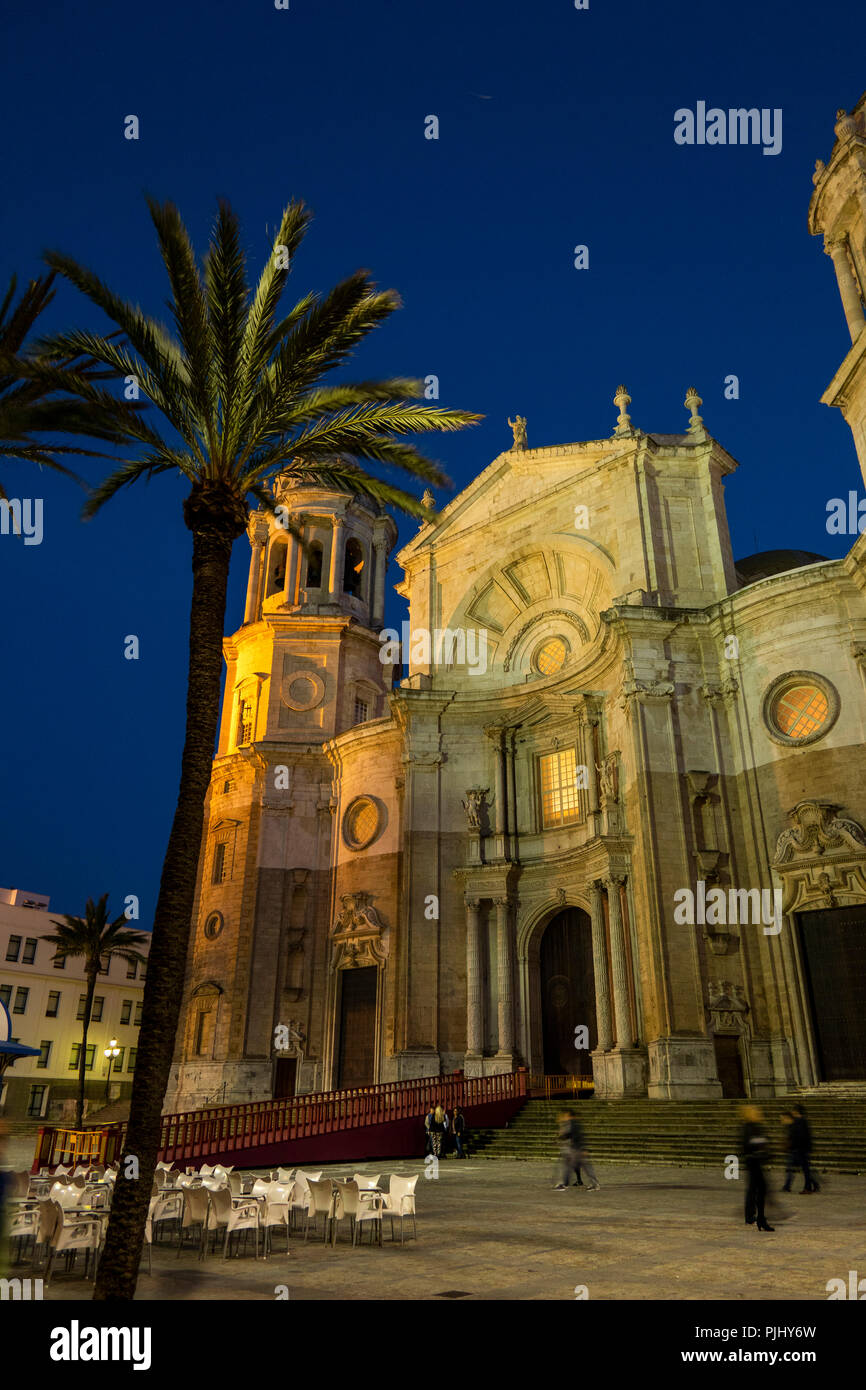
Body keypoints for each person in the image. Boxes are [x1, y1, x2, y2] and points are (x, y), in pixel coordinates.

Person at [741, 1104, 773, 1231]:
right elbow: (747, 1145)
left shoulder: (756, 1127)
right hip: (753, 1163)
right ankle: (757, 1218)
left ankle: (758, 1217)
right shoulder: (747, 1128)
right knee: (757, 1190)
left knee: (758, 1190)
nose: (758, 1115)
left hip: (757, 1162)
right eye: (756, 1113)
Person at [554, 1109, 599, 1191]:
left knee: (576, 1166)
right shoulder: (574, 1123)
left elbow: (577, 1136)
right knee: (584, 1166)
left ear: (569, 1116)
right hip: (577, 1148)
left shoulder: (573, 1123)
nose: (565, 1117)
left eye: (566, 1116)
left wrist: (582, 1149)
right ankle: (593, 1184)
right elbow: (569, 1135)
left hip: (577, 1149)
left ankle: (564, 1184)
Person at [786, 1104, 819, 1194]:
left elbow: (800, 1136)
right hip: (802, 1149)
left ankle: (808, 1187)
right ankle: (813, 1185)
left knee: (806, 1169)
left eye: (793, 1110)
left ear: (797, 1112)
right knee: (806, 1169)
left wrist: (795, 1145)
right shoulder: (803, 1121)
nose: (792, 1112)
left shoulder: (799, 1122)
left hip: (800, 1149)